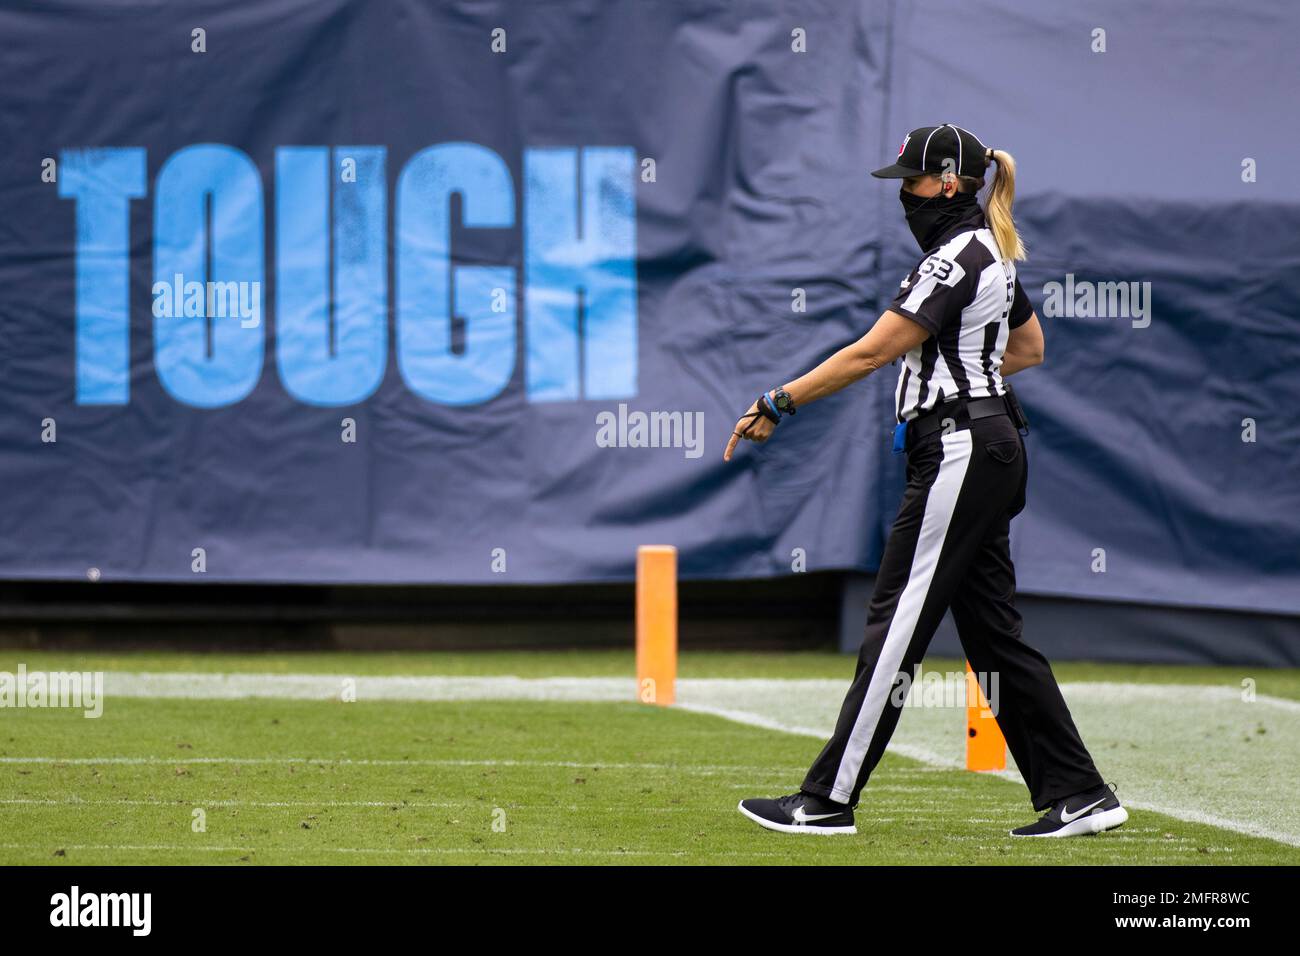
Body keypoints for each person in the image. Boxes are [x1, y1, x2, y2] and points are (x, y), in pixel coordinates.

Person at [724, 124, 1127, 838]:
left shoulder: (954, 256)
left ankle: (827, 799)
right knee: (994, 635)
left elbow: (871, 352)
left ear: (946, 183)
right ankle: (1080, 792)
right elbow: (1029, 347)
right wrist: (967, 371)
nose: (903, 194)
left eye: (911, 180)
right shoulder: (992, 248)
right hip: (990, 442)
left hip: (960, 449)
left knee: (897, 623)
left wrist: (778, 401)